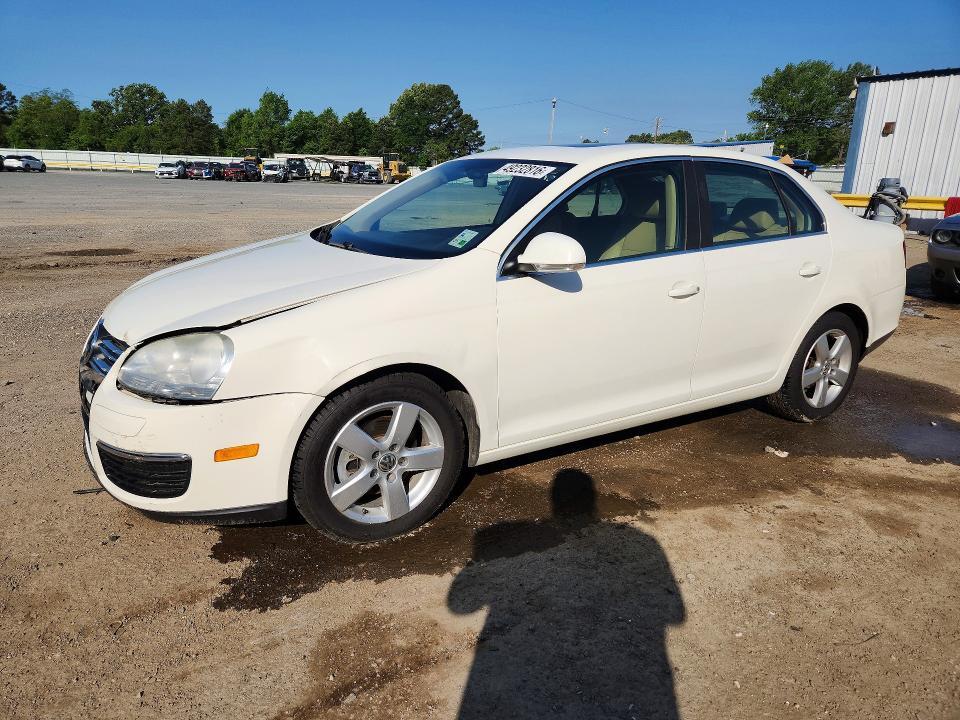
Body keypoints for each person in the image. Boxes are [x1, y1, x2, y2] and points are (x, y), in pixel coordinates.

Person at [448, 469, 685, 719]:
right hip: (637, 686)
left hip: (520, 679)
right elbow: (676, 614)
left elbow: (459, 605)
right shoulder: (645, 542)